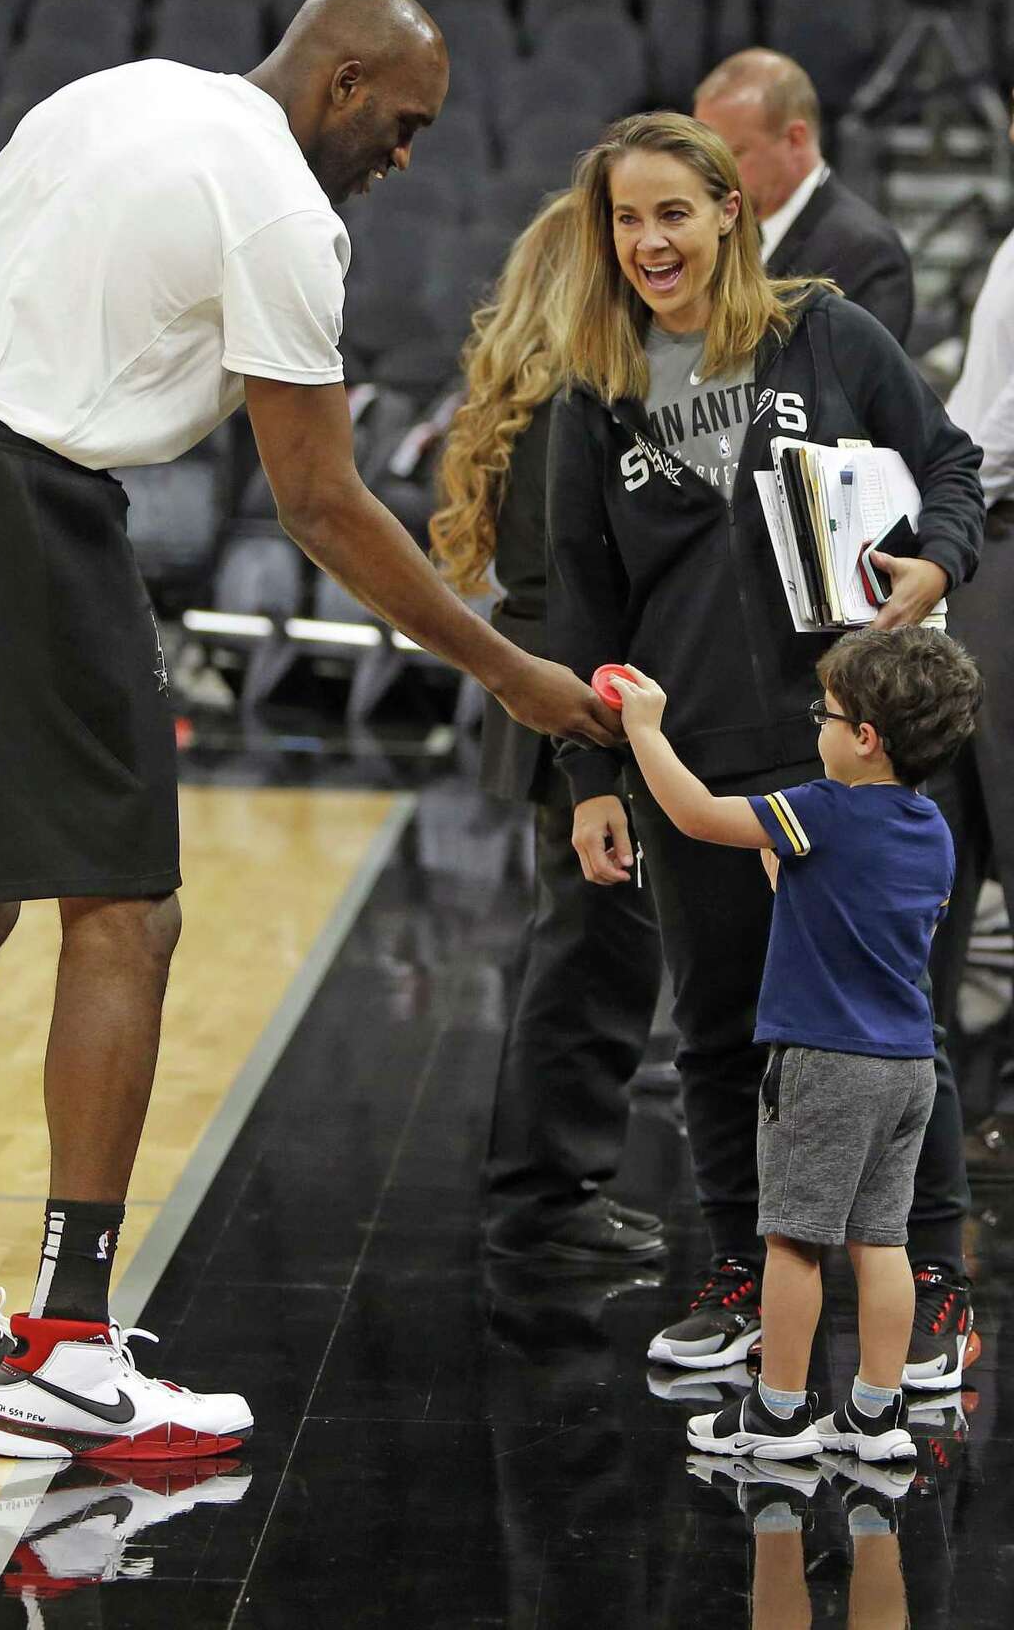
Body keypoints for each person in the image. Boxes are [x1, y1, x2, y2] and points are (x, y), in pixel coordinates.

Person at [0, 0, 619, 1460]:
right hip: (20, 490)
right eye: (403, 126)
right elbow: (319, 500)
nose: (406, 160)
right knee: (125, 911)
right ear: (339, 84)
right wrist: (508, 668)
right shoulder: (280, 207)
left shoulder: (124, 88)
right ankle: (70, 1344)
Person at [545, 111, 985, 1393]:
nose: (649, 242)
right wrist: (590, 777)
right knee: (726, 1027)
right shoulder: (596, 382)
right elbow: (580, 597)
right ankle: (746, 1268)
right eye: (626, 218)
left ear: (729, 208)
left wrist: (937, 559)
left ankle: (935, 1284)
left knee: (896, 1027)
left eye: (672, 212)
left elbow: (951, 463)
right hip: (702, 761)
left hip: (857, 753)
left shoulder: (827, 330)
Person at [609, 628, 982, 1462]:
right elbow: (858, 906)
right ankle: (877, 1414)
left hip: (824, 1061)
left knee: (791, 1241)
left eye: (828, 714)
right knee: (883, 1242)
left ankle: (777, 1412)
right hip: (908, 1068)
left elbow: (697, 816)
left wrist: (644, 731)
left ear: (865, 738)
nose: (817, 727)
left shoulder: (820, 808)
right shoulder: (933, 832)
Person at [433, 192, 665, 1262]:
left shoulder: (530, 394)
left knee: (571, 952)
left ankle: (544, 1182)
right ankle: (544, 1196)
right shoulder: (577, 401)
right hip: (569, 699)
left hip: (542, 689)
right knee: (588, 963)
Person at [926, 91, 1014, 1179]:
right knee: (952, 845)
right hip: (986, 544)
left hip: (997, 536)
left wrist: (926, 516)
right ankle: (938, 1095)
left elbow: (988, 441)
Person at [694, 49, 914, 344]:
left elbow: (856, 385)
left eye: (734, 153)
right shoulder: (717, 233)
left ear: (795, 139)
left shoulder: (867, 253)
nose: (714, 177)